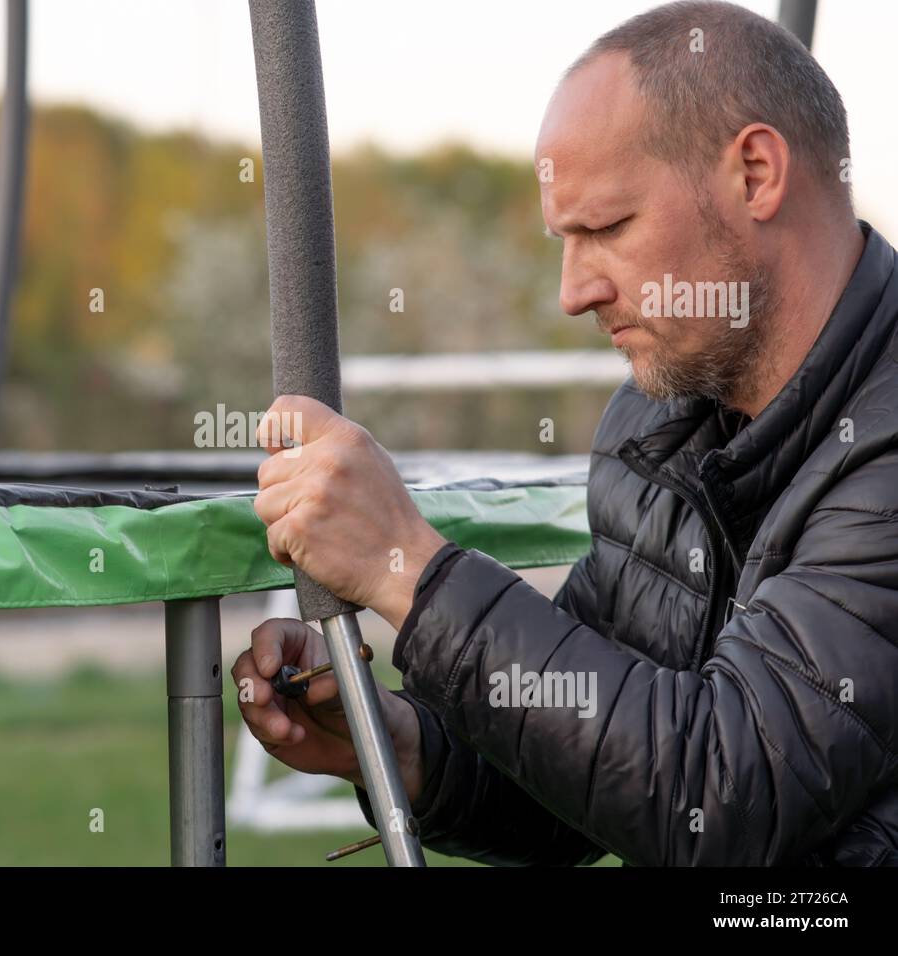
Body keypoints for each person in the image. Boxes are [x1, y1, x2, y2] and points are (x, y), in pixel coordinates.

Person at [233, 0, 898, 866]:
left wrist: (404, 566)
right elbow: (599, 770)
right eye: (562, 240)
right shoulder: (657, 424)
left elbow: (716, 793)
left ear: (757, 174)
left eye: (607, 229)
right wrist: (402, 744)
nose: (573, 291)